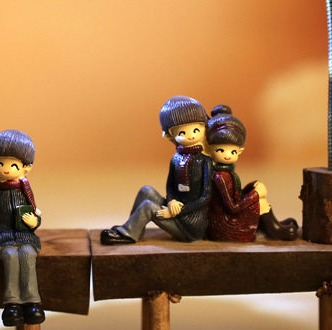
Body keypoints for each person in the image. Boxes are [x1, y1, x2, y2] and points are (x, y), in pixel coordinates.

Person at [100, 95, 213, 244]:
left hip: (189, 226)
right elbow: (171, 186)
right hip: (175, 211)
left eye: (196, 130)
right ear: (171, 135)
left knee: (148, 207)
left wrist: (177, 211)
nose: (190, 136)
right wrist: (171, 201)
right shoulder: (176, 159)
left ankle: (129, 234)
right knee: (146, 191)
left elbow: (205, 198)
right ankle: (134, 228)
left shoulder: (205, 161)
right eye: (182, 133)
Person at [206, 105, 298, 242]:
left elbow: (236, 196)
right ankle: (273, 229)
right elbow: (233, 207)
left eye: (233, 151)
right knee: (259, 199)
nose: (227, 155)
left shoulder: (227, 173)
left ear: (240, 151)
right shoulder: (220, 177)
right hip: (225, 225)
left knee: (257, 191)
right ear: (211, 149)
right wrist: (255, 194)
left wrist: (251, 188)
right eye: (221, 150)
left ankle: (271, 223)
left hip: (226, 219)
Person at [0, 129, 44, 327]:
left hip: (26, 238)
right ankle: (12, 304)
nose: (6, 169)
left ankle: (32, 302)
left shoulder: (26, 191)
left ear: (26, 167)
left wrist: (34, 222)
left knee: (27, 254)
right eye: (1, 164)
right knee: (10, 256)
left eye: (13, 165)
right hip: (6, 239)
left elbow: (34, 214)